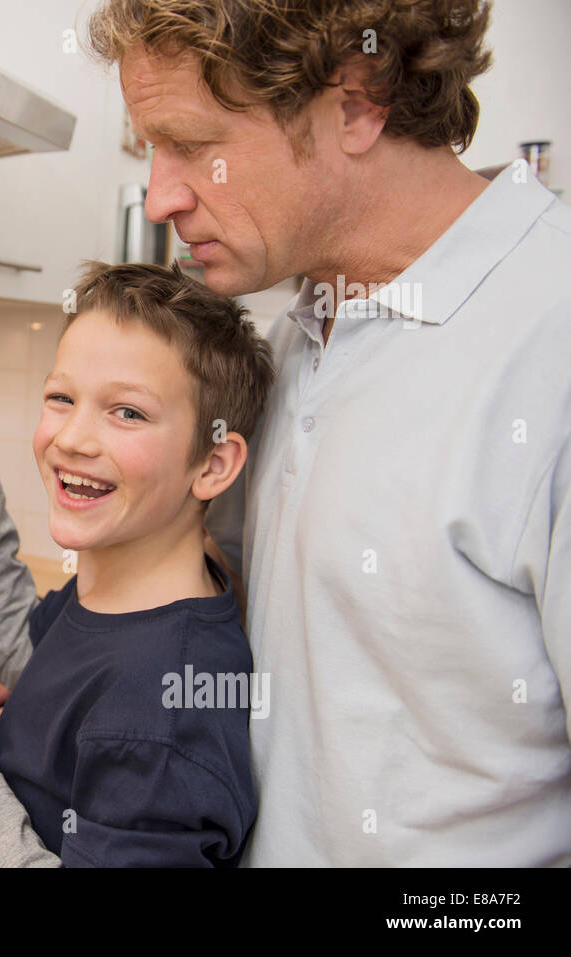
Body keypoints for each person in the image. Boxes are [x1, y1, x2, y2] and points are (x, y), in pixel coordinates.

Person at [86, 0, 571, 864]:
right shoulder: (295, 339)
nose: (161, 196)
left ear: (356, 103)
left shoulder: (550, 340)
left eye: (192, 145)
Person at [0, 261, 274, 866]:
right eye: (61, 398)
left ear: (212, 464)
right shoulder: (122, 593)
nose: (72, 438)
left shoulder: (162, 716)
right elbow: (31, 658)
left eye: (127, 412)